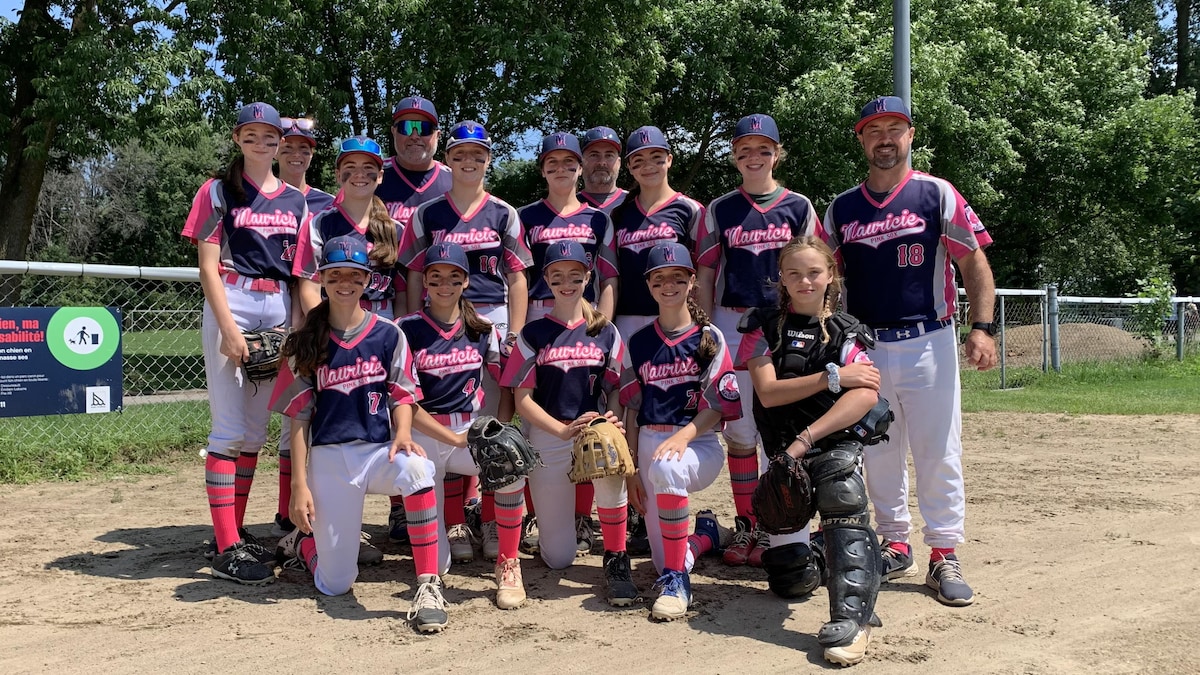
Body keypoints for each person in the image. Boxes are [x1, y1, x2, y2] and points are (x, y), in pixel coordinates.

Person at [820, 95, 997, 607]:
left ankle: (943, 551)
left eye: (894, 128)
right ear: (861, 140)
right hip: (867, 345)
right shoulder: (841, 208)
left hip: (929, 338)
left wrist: (981, 327)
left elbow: (974, 263)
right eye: (873, 129)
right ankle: (895, 542)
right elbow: (825, 275)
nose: (884, 138)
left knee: (937, 449)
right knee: (878, 451)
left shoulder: (936, 194)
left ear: (910, 135)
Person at [271, 235, 448, 633]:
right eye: (336, 275)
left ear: (368, 280)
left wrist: (402, 432)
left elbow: (402, 394)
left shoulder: (388, 334)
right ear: (323, 279)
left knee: (419, 469)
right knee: (335, 585)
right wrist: (299, 485)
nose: (345, 283)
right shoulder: (303, 341)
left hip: (377, 451)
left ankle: (428, 586)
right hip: (331, 459)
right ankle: (304, 544)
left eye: (355, 275)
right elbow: (298, 420)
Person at [738, 235, 884, 666]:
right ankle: (825, 553)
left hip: (828, 442)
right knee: (790, 580)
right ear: (781, 279)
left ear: (830, 276)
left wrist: (807, 439)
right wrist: (832, 376)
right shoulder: (761, 325)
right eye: (794, 273)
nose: (805, 281)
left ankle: (852, 619)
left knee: (841, 493)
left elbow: (867, 396)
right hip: (783, 453)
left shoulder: (848, 328)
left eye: (814, 272)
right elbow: (767, 393)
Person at [181, 102, 308, 584]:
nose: (262, 143)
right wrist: (229, 329)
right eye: (251, 135)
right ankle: (228, 547)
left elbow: (299, 275)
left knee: (256, 431)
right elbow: (208, 265)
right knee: (229, 429)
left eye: (270, 136)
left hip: (277, 304)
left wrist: (295, 331)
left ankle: (229, 532)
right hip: (232, 298)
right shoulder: (218, 190)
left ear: (281, 141)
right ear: (238, 138)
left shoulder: (295, 201)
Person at [695, 113, 818, 568]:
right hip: (733, 321)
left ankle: (776, 523)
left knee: (780, 430)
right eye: (744, 149)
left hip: (785, 324)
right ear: (734, 156)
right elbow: (707, 272)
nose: (754, 157)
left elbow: (815, 265)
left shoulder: (798, 205)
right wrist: (705, 327)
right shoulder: (721, 208)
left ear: (776, 153)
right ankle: (748, 521)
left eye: (763, 148)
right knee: (741, 433)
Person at [499, 240, 635, 606]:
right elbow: (521, 399)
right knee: (559, 558)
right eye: (557, 275)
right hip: (549, 432)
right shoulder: (533, 332)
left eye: (575, 275)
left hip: (592, 428)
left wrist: (613, 420)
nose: (566, 282)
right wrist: (560, 431)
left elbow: (616, 390)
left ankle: (616, 557)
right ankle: (558, 530)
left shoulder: (605, 331)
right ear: (546, 279)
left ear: (588, 277)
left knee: (610, 461)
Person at [619, 242, 742, 621]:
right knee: (661, 558)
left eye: (678, 277)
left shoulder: (710, 337)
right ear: (649, 285)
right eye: (659, 279)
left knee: (669, 470)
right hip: (649, 443)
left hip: (698, 443)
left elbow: (721, 405)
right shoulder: (638, 342)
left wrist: (684, 435)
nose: (668, 285)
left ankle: (677, 583)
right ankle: (705, 535)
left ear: (692, 282)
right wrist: (633, 470)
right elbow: (631, 409)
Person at [520, 132, 620, 557]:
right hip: (539, 317)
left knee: (587, 410)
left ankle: (582, 514)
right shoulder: (526, 215)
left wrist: (600, 327)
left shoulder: (599, 217)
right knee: (538, 420)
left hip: (585, 314)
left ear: (580, 168)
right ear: (541, 168)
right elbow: (520, 277)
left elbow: (609, 278)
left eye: (569, 162)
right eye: (552, 163)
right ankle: (536, 512)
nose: (561, 170)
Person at [396, 242, 503, 569]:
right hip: (424, 430)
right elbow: (405, 397)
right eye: (436, 277)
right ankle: (453, 525)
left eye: (454, 277)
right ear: (424, 281)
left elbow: (504, 384)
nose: (445, 285)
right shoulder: (406, 328)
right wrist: (451, 436)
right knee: (439, 562)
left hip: (469, 423)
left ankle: (490, 522)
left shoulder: (483, 328)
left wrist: (500, 427)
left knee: (509, 462)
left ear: (467, 281)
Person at [271, 116, 334, 541]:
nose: (297, 153)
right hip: (283, 309)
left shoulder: (328, 201)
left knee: (324, 415)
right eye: (289, 145)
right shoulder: (263, 195)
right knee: (292, 414)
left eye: (305, 146)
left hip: (320, 313)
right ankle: (284, 511)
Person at [608, 126, 705, 341]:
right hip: (627, 319)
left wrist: (701, 322)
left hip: (677, 318)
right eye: (639, 160)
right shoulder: (619, 215)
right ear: (629, 167)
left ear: (669, 159)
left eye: (656, 157)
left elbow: (703, 272)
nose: (648, 166)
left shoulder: (691, 209)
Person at [294, 136, 403, 321]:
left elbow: (403, 293)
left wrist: (399, 330)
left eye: (368, 168)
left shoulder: (395, 230)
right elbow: (308, 289)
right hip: (334, 315)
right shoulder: (318, 224)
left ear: (380, 176)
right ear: (338, 175)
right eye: (350, 167)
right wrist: (325, 328)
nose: (359, 174)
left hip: (383, 316)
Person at [277, 117, 335, 214]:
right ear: (276, 152)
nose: (296, 154)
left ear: (311, 153)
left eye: (303, 147)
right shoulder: (262, 200)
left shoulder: (328, 204)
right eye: (288, 147)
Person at [578, 126, 627, 215]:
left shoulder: (634, 202)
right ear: (581, 162)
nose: (602, 162)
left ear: (619, 163)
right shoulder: (568, 207)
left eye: (609, 156)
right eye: (594, 155)